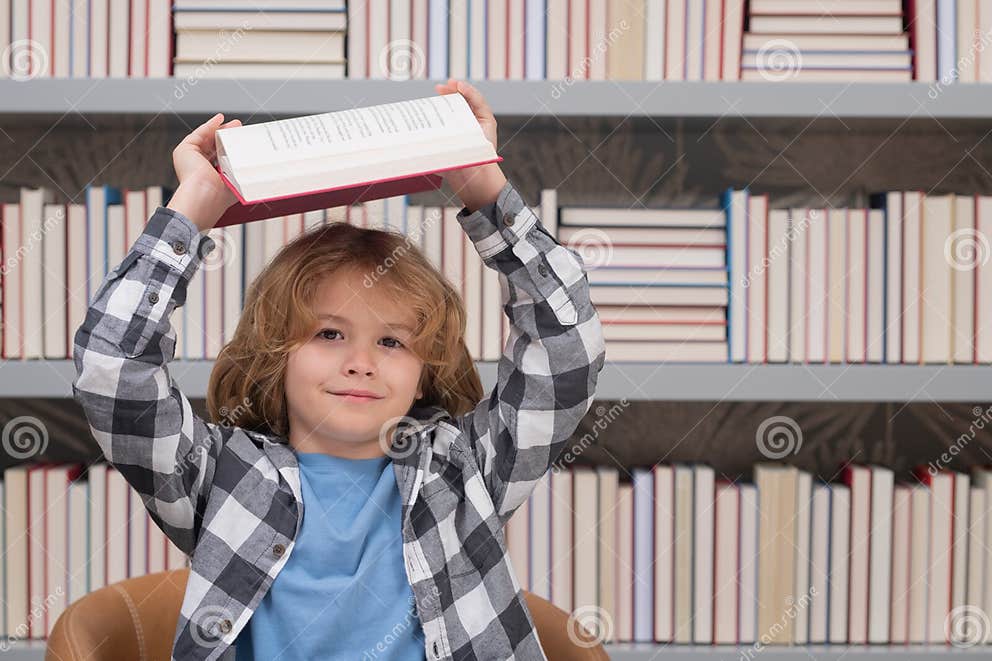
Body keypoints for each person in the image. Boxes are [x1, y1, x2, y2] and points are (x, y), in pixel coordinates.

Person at [71, 78, 605, 661]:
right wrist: (191, 211)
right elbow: (112, 367)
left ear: (426, 371)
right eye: (329, 334)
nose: (361, 363)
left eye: (393, 342)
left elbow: (566, 346)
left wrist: (484, 191)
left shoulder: (468, 470)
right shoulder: (218, 478)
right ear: (275, 354)